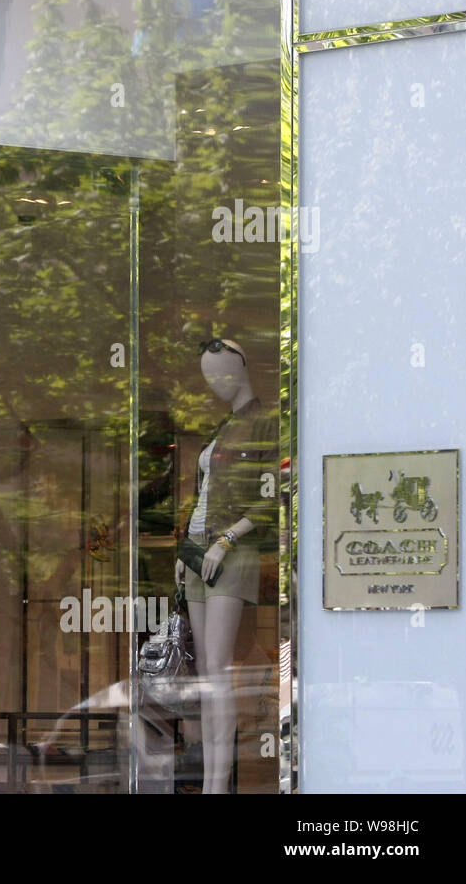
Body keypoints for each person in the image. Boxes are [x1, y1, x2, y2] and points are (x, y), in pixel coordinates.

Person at [173, 338, 276, 794]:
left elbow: (271, 498)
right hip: (198, 548)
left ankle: (218, 785)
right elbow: (204, 498)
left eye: (221, 371)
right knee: (205, 674)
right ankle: (211, 782)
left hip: (231, 551)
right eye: (208, 376)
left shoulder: (265, 422)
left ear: (241, 365)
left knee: (218, 668)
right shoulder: (223, 426)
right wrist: (186, 551)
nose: (216, 382)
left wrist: (229, 538)